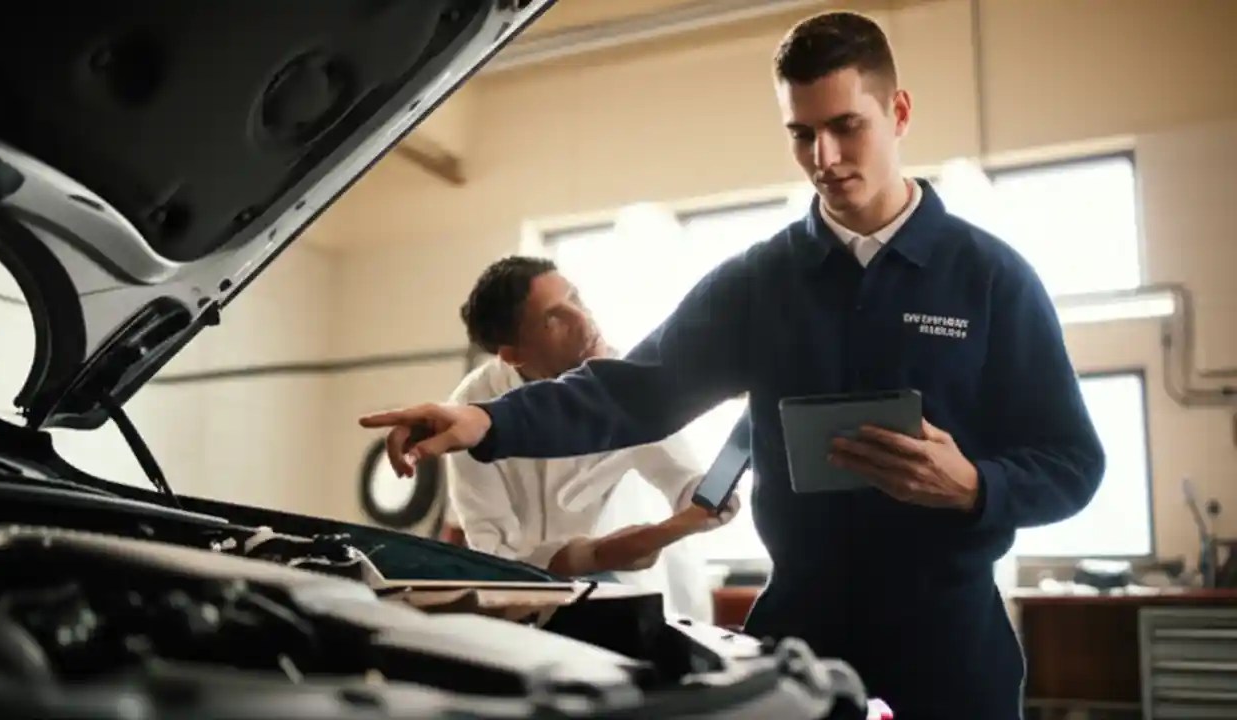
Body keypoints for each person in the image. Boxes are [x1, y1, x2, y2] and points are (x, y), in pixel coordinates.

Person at [361, 11, 1104, 719]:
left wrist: (975, 485)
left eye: (848, 127)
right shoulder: (760, 283)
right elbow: (634, 392)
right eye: (802, 134)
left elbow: (1072, 463)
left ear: (899, 113)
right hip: (802, 637)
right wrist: (483, 419)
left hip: (951, 645)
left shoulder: (992, 279)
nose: (826, 159)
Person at [442, 255, 737, 621]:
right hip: (541, 603)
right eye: (554, 318)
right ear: (513, 354)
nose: (584, 321)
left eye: (576, 299)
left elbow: (679, 476)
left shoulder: (626, 374)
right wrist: (594, 555)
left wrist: (708, 498)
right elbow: (496, 556)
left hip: (649, 588)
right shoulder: (470, 415)